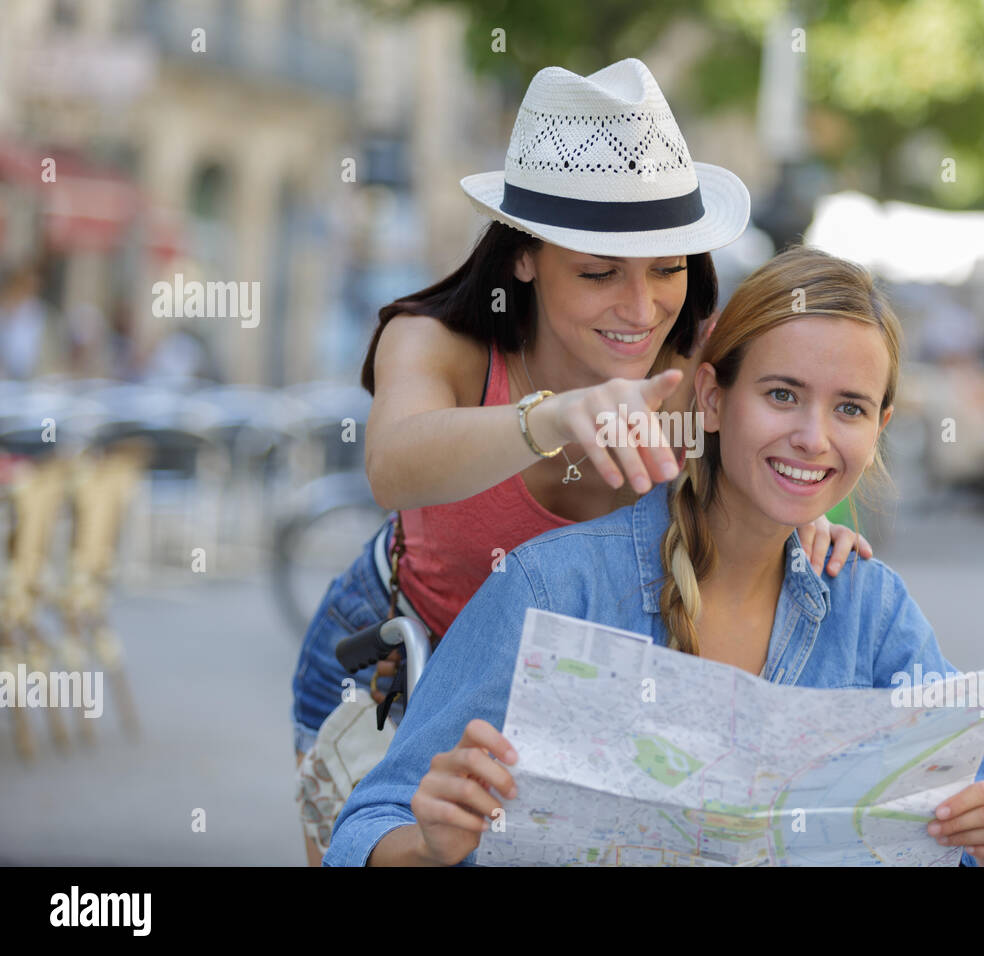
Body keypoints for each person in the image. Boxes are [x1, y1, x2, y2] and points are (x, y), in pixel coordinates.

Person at [292, 59, 871, 862]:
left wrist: (821, 528)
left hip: (580, 696)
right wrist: (552, 418)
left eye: (667, 268)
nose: (640, 309)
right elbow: (392, 465)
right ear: (523, 256)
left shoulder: (695, 367)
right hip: (398, 662)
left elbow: (801, 441)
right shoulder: (439, 343)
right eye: (599, 273)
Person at [324, 245, 984, 868]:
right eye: (782, 395)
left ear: (881, 427)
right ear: (711, 399)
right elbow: (364, 826)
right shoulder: (555, 587)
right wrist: (428, 844)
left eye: (850, 408)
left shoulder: (871, 610)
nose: (814, 437)